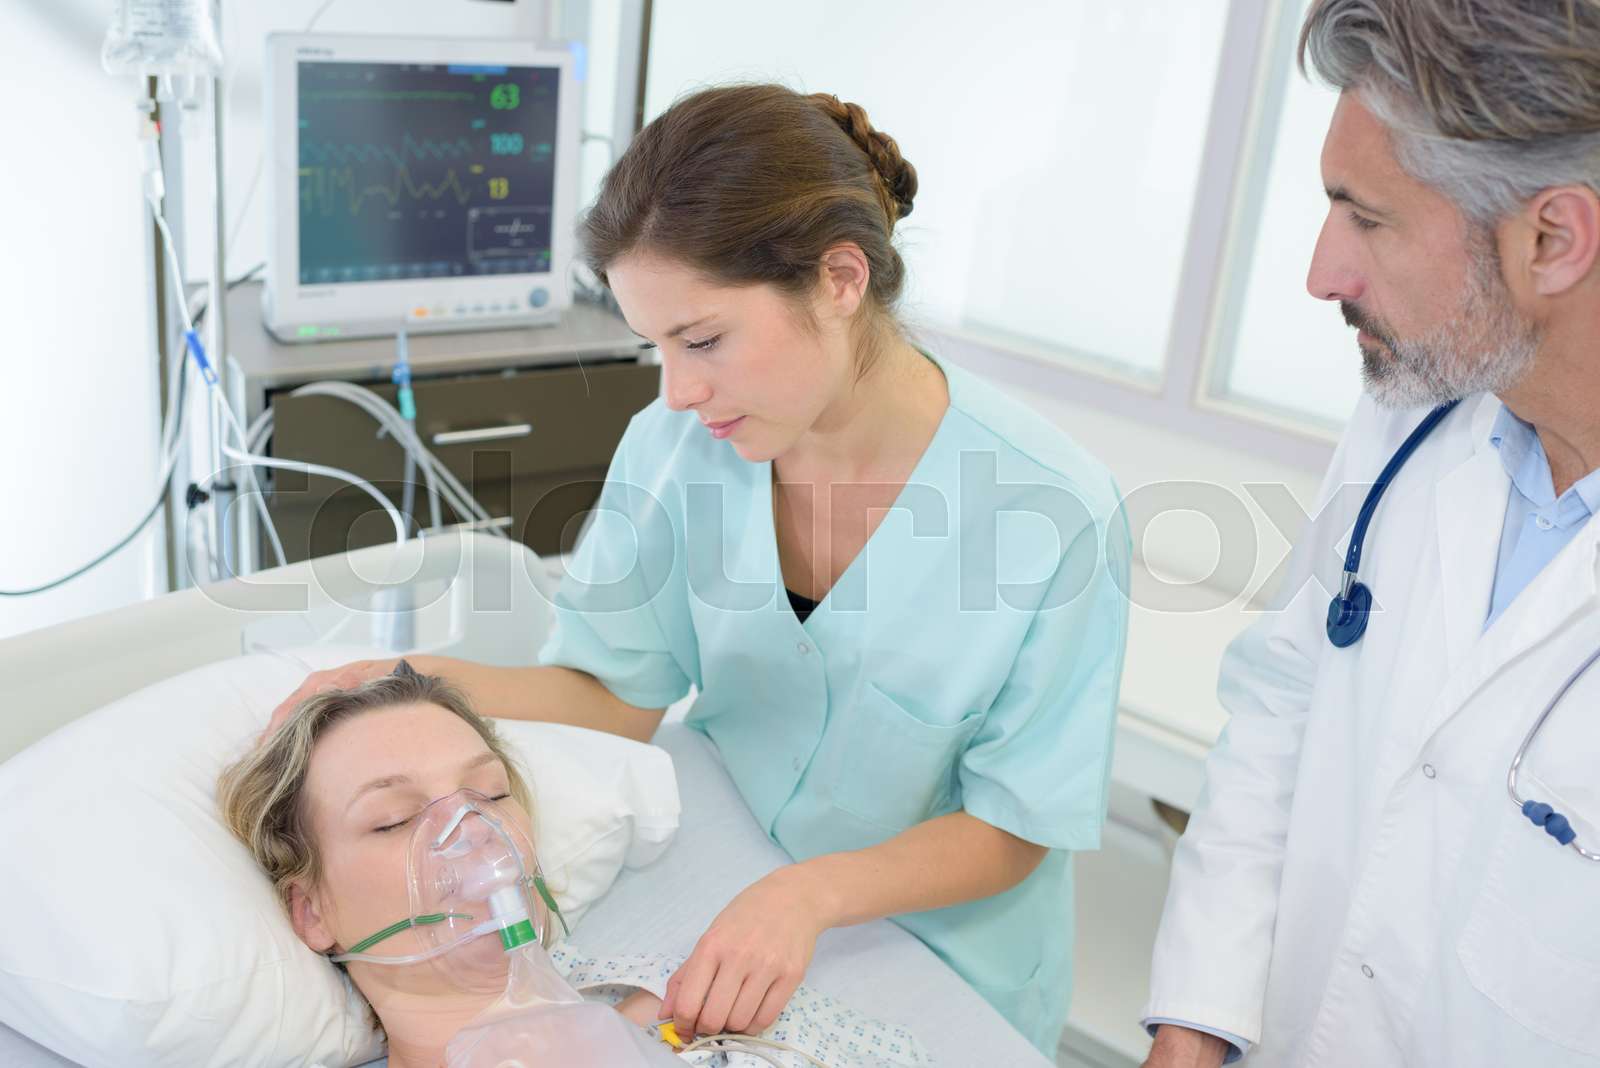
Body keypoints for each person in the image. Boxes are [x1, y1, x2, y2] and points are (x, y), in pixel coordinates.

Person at [269, 83, 1130, 1053]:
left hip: (948, 951)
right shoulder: (676, 447)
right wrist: (412, 680)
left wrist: (807, 896)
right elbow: (615, 694)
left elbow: (1016, 824)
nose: (678, 391)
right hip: (722, 879)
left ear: (840, 279)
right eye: (656, 349)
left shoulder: (1051, 511)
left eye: (704, 340)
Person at [1142, 3, 1600, 1066]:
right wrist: (1195, 1025)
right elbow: (1286, 702)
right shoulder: (1414, 410)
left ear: (1553, 239)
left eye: (1368, 219)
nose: (1323, 274)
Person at [224, 662, 931, 1068]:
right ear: (311, 912)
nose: (472, 836)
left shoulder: (717, 1010)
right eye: (395, 819)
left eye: (490, 795)